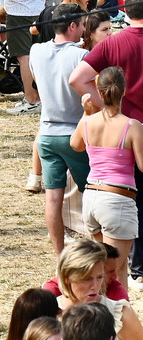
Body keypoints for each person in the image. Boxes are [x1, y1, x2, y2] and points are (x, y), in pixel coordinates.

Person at [70, 0, 143, 286]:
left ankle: (136, 267)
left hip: (118, 137)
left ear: (125, 9)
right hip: (131, 134)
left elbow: (77, 78)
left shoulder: (114, 42)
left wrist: (105, 108)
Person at [71, 66, 143, 272]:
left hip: (92, 197)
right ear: (125, 91)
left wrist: (85, 114)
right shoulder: (132, 126)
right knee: (113, 272)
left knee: (106, 271)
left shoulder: (89, 122)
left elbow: (75, 145)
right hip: (117, 200)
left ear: (99, 91)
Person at [34, 3, 92, 249]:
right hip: (74, 133)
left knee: (53, 199)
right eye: (82, 25)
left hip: (46, 133)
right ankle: (97, 246)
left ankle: (60, 256)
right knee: (93, 193)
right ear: (72, 26)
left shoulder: (36, 51)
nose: (83, 30)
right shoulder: (81, 56)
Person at [53, 239, 143, 340]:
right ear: (67, 279)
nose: (95, 286)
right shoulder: (47, 312)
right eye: (87, 279)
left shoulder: (121, 314)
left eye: (100, 277)